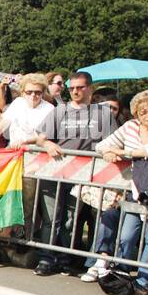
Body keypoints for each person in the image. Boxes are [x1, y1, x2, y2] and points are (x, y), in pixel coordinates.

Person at [88, 92, 148, 295]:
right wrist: (109, 153)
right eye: (143, 112)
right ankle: (122, 274)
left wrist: (129, 153)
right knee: (127, 235)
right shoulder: (130, 127)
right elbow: (103, 144)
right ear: (136, 114)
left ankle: (144, 282)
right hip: (135, 190)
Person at [32, 71, 117, 276]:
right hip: (55, 173)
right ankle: (47, 257)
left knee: (71, 220)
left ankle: (64, 258)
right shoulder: (59, 112)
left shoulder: (103, 114)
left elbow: (114, 140)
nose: (75, 92)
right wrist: (49, 143)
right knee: (52, 218)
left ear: (90, 89)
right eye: (71, 88)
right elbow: (40, 139)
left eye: (80, 88)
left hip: (83, 176)